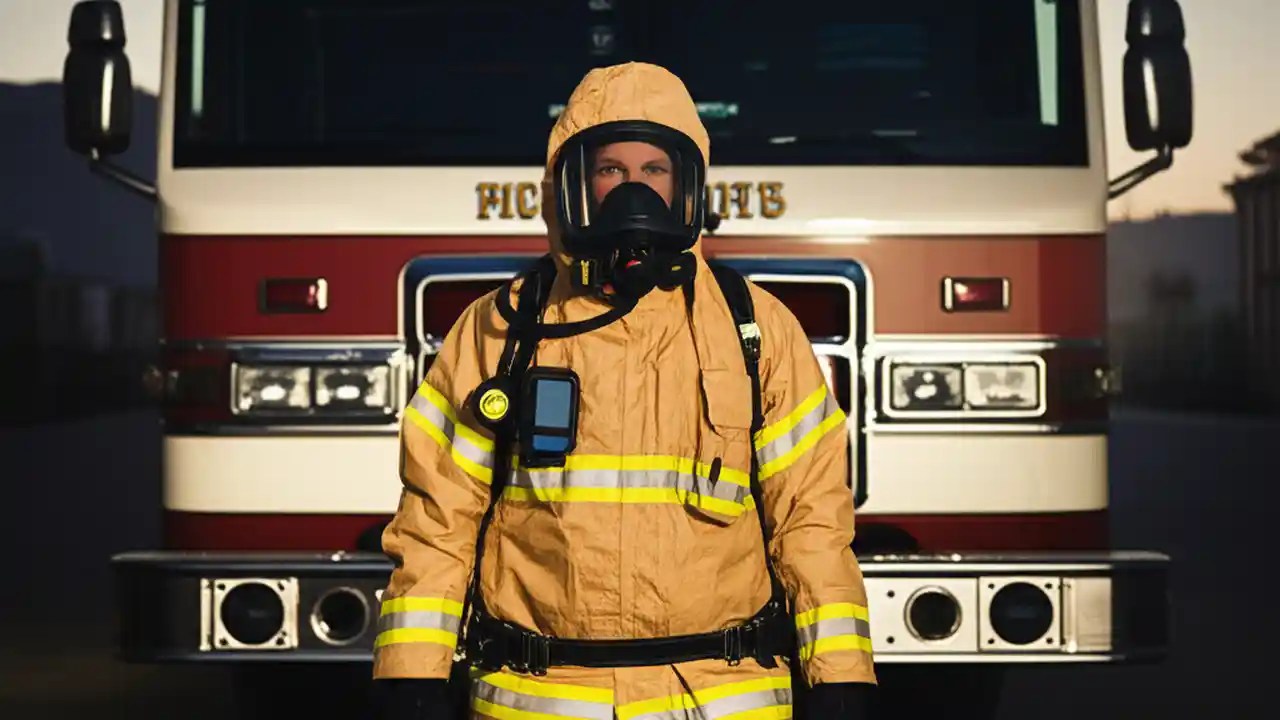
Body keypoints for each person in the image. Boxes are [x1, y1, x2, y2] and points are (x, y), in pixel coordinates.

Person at [372, 62, 876, 720]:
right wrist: (412, 675)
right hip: (543, 698)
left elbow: (810, 520)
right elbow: (437, 523)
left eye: (654, 171)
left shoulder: (757, 329)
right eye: (611, 171)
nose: (631, 191)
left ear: (688, 185)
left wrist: (840, 678)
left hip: (722, 697)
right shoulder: (501, 329)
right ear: (570, 186)